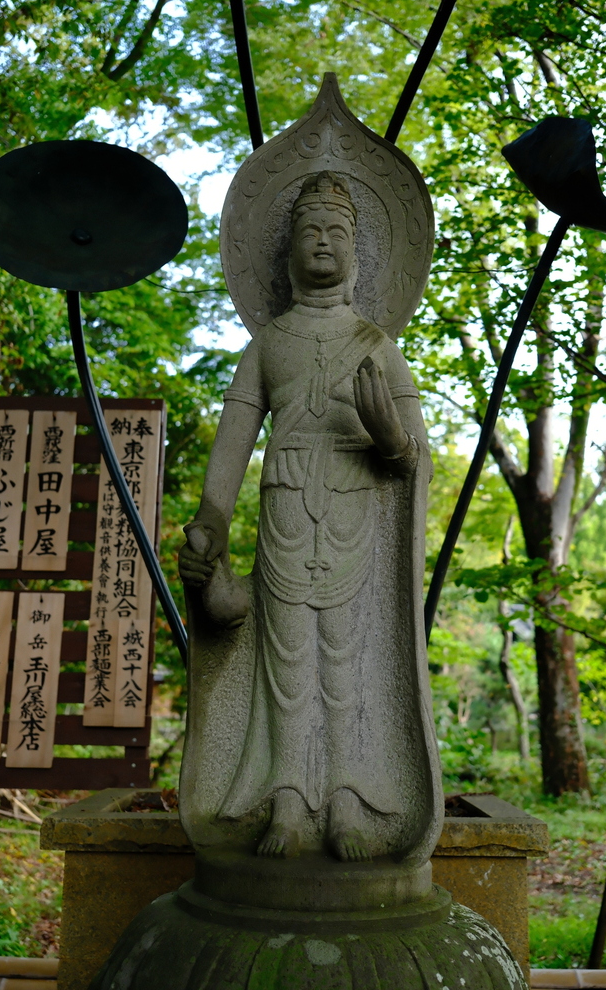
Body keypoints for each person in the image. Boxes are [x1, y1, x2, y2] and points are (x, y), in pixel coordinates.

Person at [179, 171, 433, 862]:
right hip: (286, 516)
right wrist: (211, 522)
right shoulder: (267, 345)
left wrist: (395, 441)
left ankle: (347, 801)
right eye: (308, 231)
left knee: (347, 665)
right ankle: (289, 801)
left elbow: (416, 459)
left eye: (338, 233)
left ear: (361, 255)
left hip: (355, 522)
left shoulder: (380, 346)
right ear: (285, 250)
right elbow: (232, 451)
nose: (323, 242)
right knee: (286, 663)